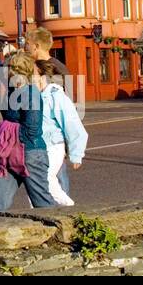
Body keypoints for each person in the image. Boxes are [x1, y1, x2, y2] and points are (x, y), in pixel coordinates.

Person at [0, 50, 58, 214]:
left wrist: (7, 134)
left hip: (30, 154)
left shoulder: (31, 94)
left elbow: (32, 129)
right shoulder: (13, 87)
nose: (6, 74)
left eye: (9, 70)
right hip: (8, 154)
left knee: (43, 205)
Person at [39, 65, 88, 206]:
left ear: (42, 77)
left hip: (53, 146)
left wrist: (76, 154)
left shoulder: (57, 97)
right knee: (36, 183)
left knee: (44, 179)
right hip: (39, 147)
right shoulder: (34, 95)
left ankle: (70, 208)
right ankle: (37, 213)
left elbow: (73, 125)